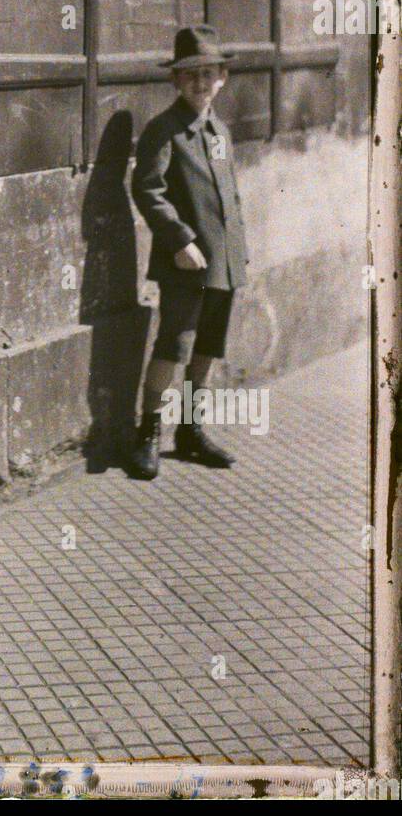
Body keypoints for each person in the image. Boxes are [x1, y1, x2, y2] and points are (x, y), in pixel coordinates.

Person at [129, 25, 249, 480]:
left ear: (222, 78)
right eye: (190, 74)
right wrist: (179, 239)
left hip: (223, 263)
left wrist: (237, 254)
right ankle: (148, 435)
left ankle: (190, 431)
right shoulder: (165, 130)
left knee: (207, 349)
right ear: (176, 81)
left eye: (209, 73)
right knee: (174, 346)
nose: (201, 82)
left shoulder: (218, 129)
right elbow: (148, 189)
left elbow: (229, 196)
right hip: (186, 263)